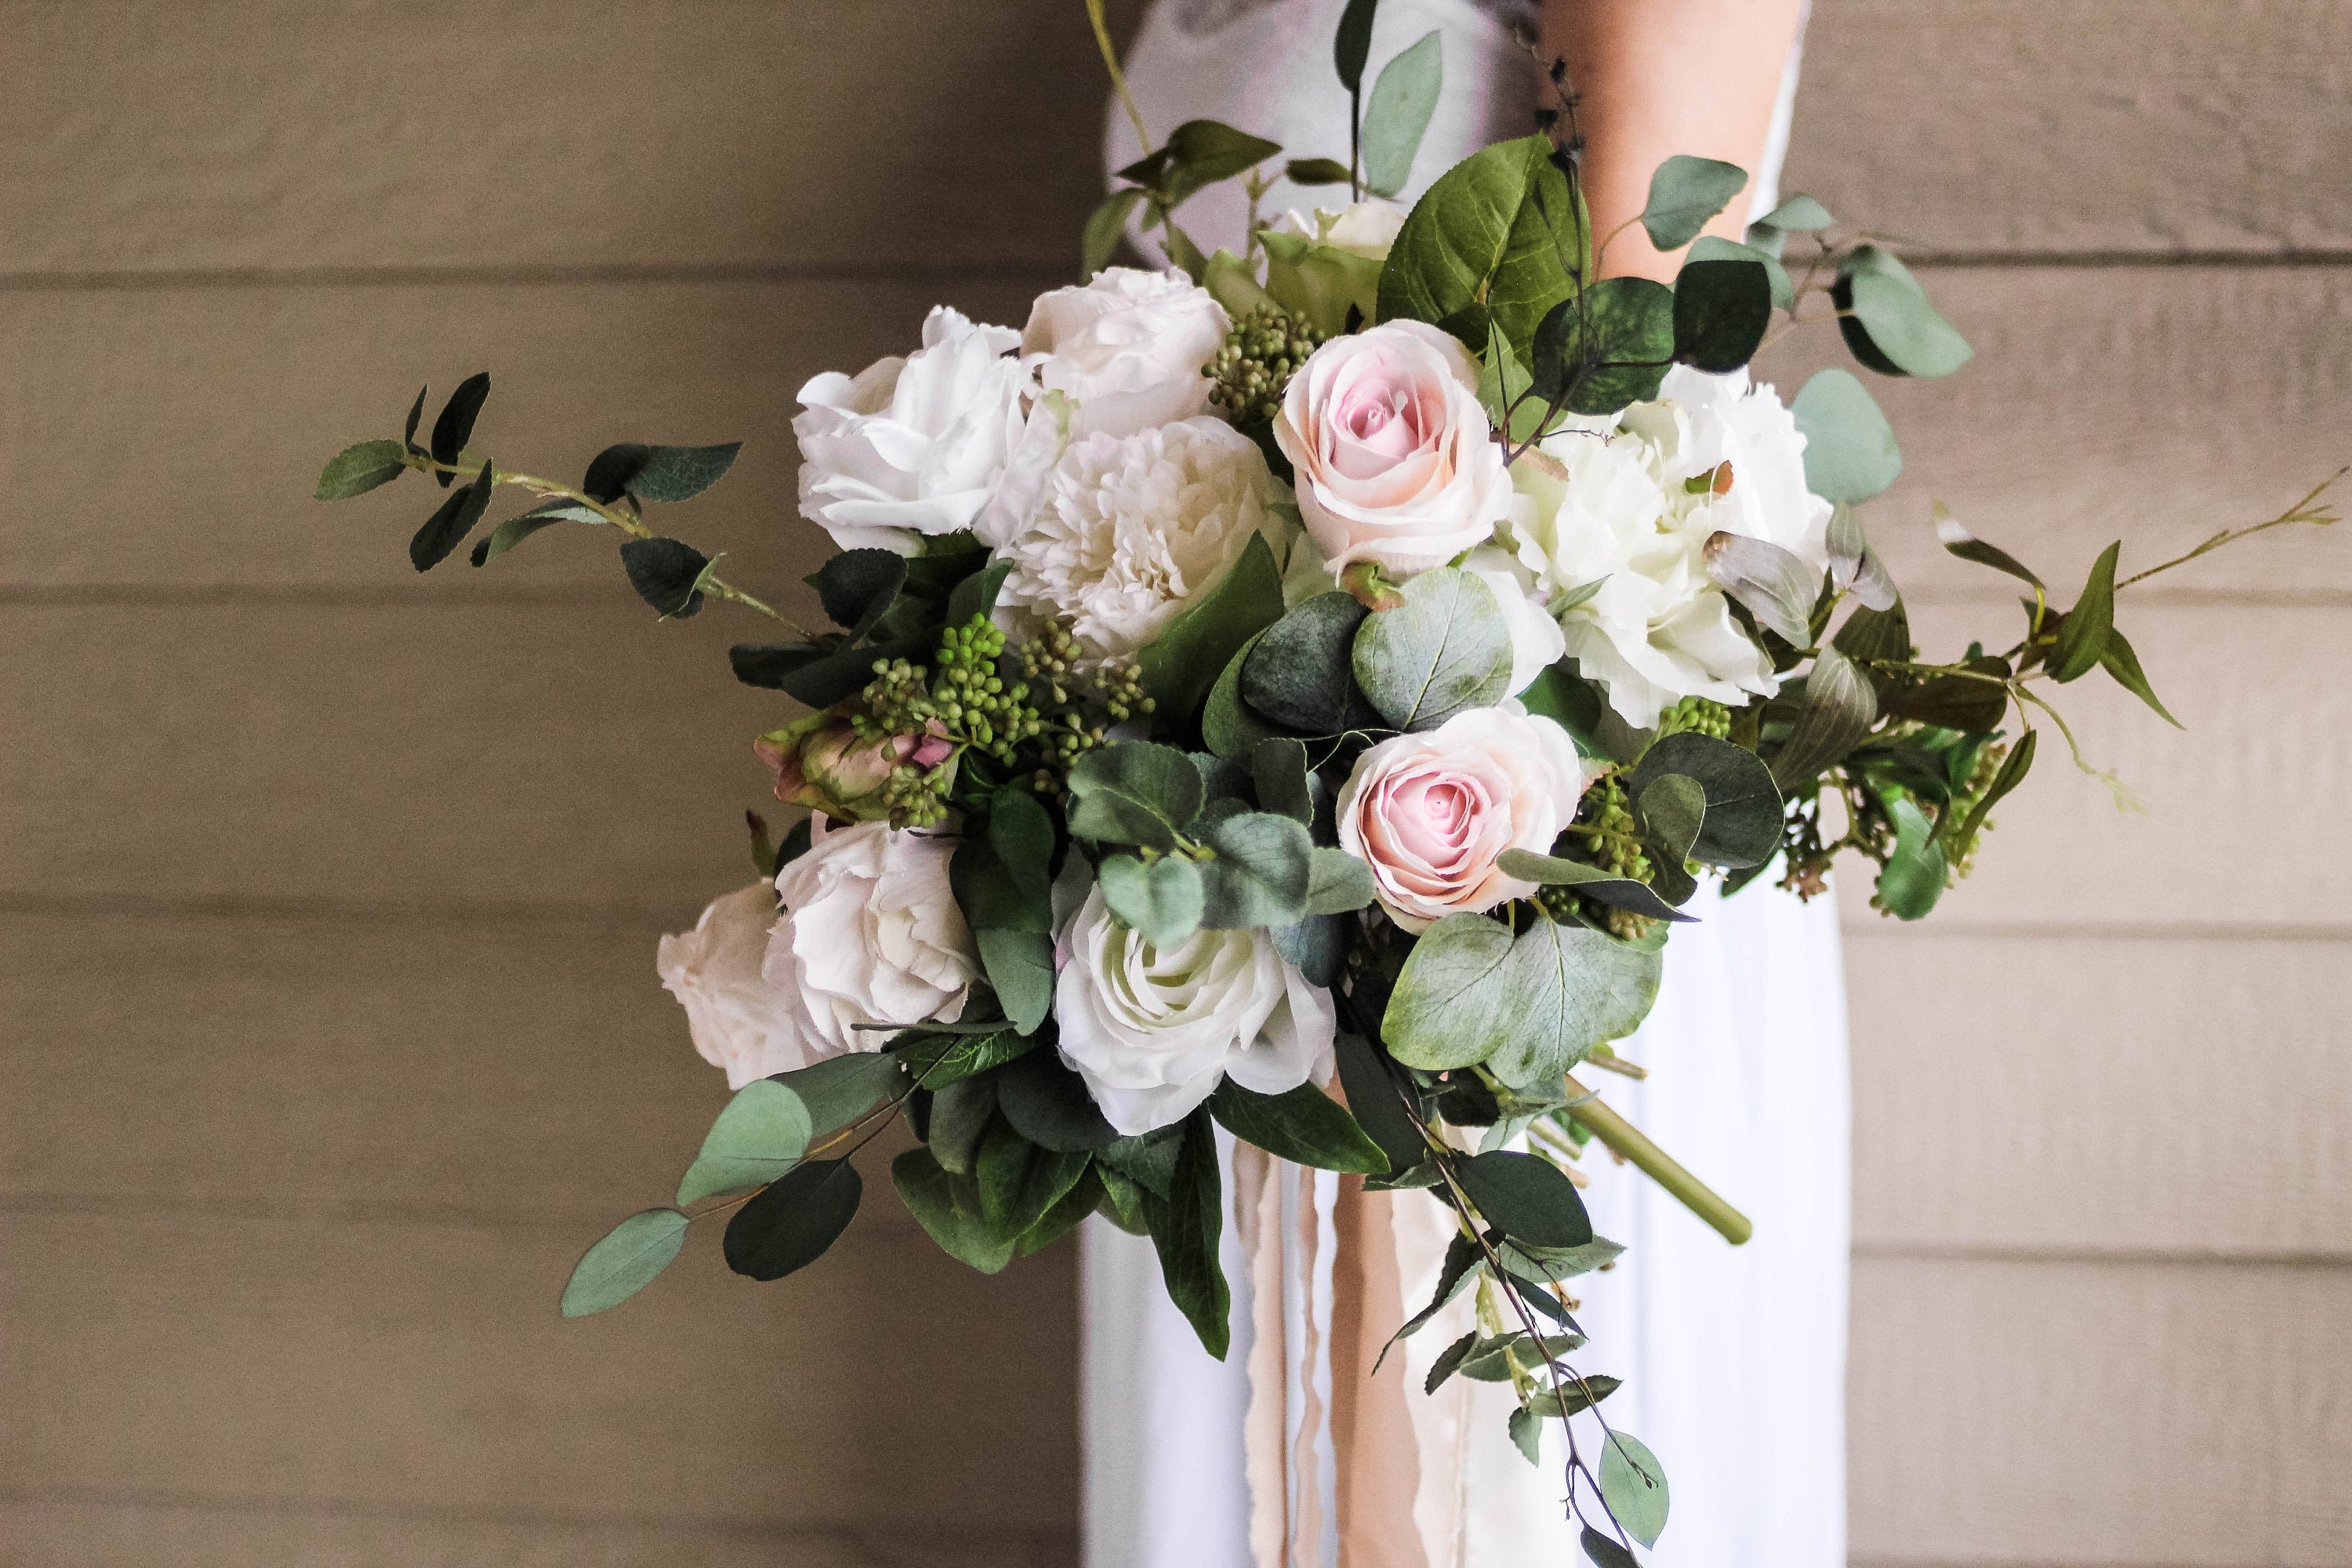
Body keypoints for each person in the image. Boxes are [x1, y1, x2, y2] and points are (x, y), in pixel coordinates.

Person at [1080, 4, 1846, 1566]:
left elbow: (1634, 369)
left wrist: (1406, 850)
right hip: (1242, 875)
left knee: (1471, 1472)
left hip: (1509, 855)